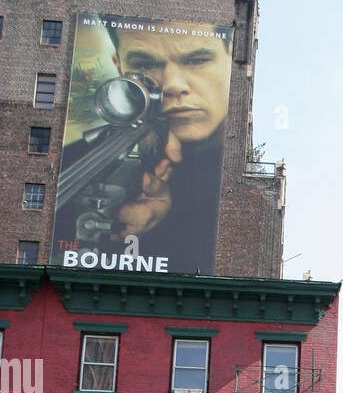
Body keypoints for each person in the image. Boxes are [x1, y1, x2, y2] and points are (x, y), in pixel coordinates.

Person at [53, 18, 233, 275]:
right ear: (119, 67)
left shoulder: (230, 179)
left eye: (196, 60)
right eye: (145, 65)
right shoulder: (75, 159)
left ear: (231, 58)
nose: (172, 86)